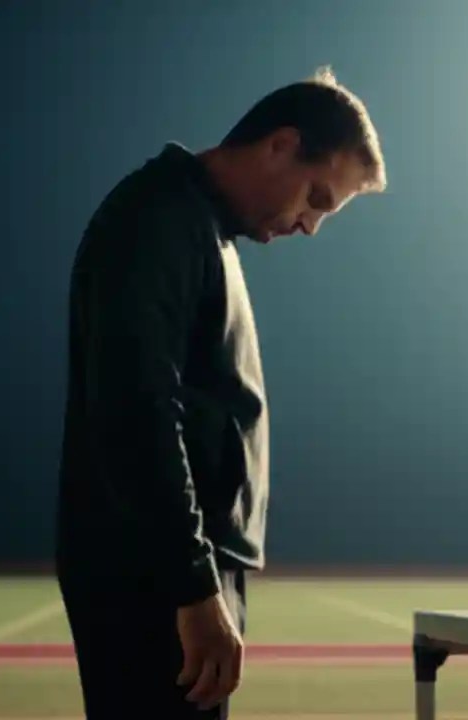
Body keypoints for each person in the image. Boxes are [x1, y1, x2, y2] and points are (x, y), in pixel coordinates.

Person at [54, 66, 387, 719]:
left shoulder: (198, 227)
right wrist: (192, 580)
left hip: (174, 567)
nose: (312, 226)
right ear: (280, 145)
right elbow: (136, 409)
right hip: (154, 575)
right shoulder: (159, 218)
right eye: (317, 197)